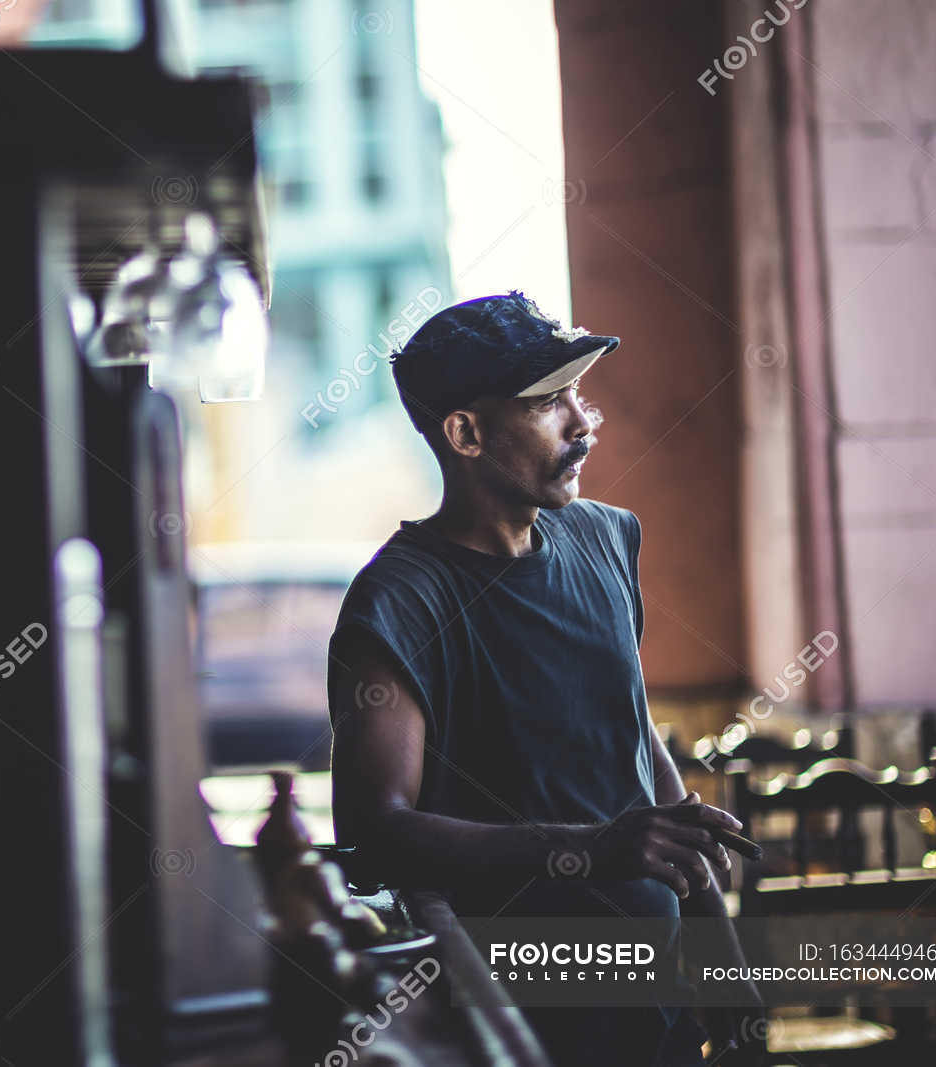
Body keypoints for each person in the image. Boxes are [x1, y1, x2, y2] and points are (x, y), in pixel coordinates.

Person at [326, 292, 761, 1065]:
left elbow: (638, 747)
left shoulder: (606, 538)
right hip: (521, 1012)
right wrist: (591, 849)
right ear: (465, 431)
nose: (583, 424)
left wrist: (719, 950)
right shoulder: (401, 599)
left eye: (577, 394)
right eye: (547, 403)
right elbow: (375, 832)